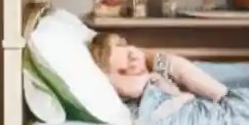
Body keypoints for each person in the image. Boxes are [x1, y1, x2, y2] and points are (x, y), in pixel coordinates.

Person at [87, 32, 228, 103]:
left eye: (129, 52)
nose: (134, 60)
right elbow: (131, 86)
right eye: (126, 68)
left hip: (200, 75)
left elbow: (184, 71)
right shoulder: (141, 83)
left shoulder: (156, 61)